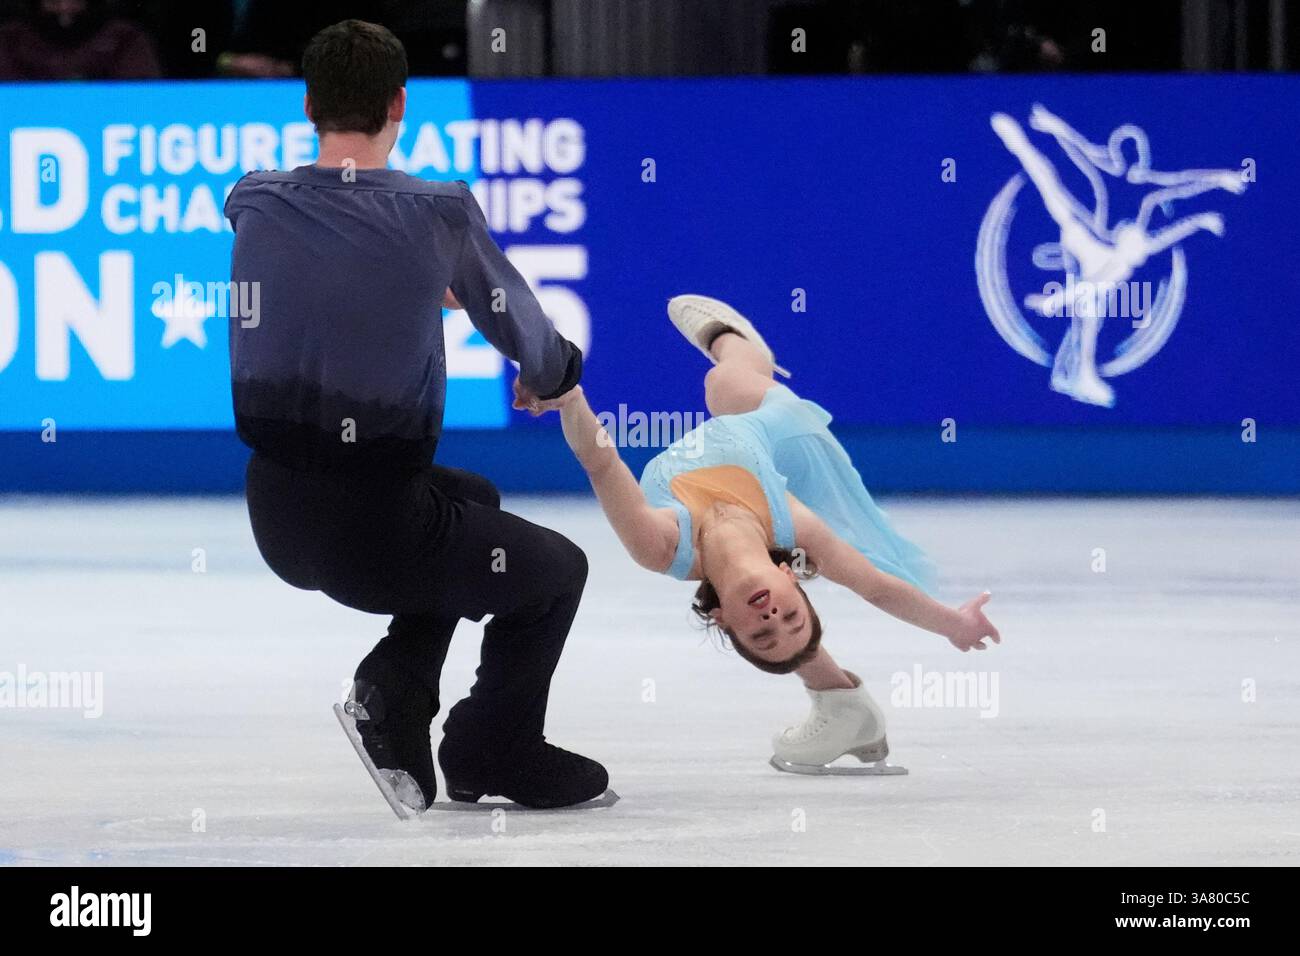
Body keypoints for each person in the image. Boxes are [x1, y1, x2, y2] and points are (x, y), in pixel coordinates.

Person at [225, 20, 606, 812]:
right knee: (558, 573)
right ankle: (493, 748)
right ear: (402, 102)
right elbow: (532, 341)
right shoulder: (437, 213)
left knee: (471, 497)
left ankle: (397, 690)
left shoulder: (252, 198)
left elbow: (326, 251)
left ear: (307, 105)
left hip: (278, 518)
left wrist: (407, 283)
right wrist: (551, 375)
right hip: (377, 533)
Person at [524, 295, 1001, 769]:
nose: (772, 617)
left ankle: (842, 703)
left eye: (762, 634)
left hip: (744, 448)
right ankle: (736, 343)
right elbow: (876, 586)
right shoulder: (797, 526)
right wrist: (953, 624)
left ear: (723, 621)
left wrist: (570, 397)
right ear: (792, 581)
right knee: (726, 382)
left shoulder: (661, 545)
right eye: (790, 616)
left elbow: (602, 462)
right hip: (785, 442)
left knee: (724, 392)